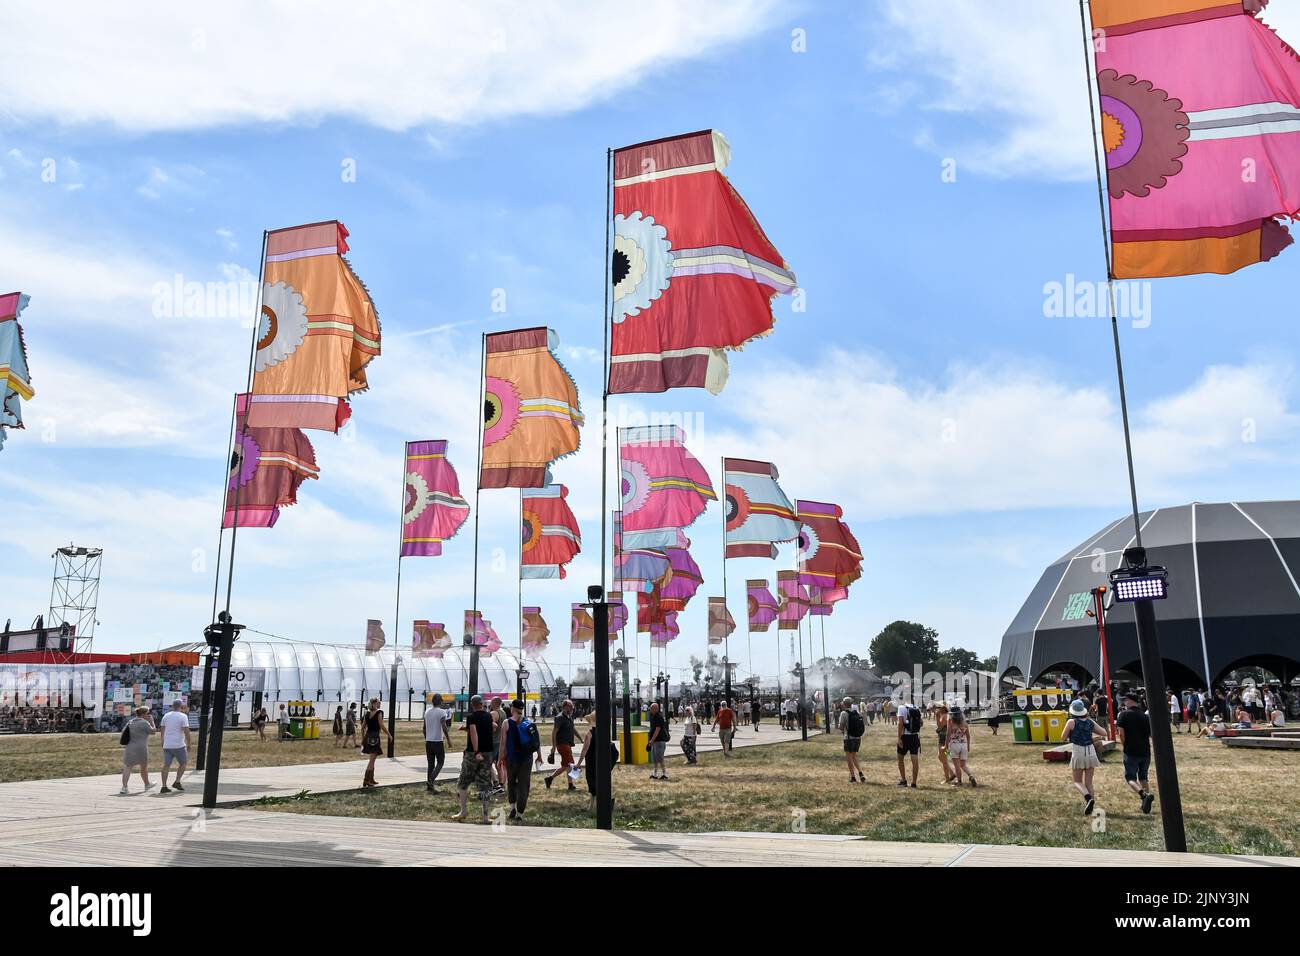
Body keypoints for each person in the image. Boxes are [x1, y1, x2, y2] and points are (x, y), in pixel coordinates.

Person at [1062, 697, 1108, 816]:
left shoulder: (1071, 722)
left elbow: (1063, 737)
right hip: (1091, 751)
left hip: (1078, 751)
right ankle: (1092, 807)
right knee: (1089, 782)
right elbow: (1104, 733)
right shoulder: (1090, 721)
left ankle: (1088, 798)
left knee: (1077, 781)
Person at [452, 695, 495, 823]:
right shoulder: (489, 716)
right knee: (485, 784)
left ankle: (463, 811)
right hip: (487, 753)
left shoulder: (471, 717)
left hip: (473, 753)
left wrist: (476, 751)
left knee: (463, 782)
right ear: (482, 704)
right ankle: (485, 816)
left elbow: (474, 732)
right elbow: (493, 727)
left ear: (472, 705)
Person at [500, 699, 542, 821]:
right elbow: (536, 741)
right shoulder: (529, 722)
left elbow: (503, 744)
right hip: (527, 758)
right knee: (524, 785)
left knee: (512, 782)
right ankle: (520, 813)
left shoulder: (506, 723)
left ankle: (512, 807)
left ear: (512, 708)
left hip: (512, 758)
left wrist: (500, 759)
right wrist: (539, 755)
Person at [1115, 692, 1155, 814]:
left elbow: (1121, 733)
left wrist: (1124, 745)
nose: (1123, 702)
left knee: (1130, 777)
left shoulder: (1123, 714)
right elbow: (1151, 734)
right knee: (1143, 777)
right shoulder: (1145, 716)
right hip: (1145, 751)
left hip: (1131, 750)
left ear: (1129, 701)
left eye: (1125, 700)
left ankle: (1144, 795)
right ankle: (1146, 804)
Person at [544, 698, 579, 791]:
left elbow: (573, 729)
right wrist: (554, 746)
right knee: (570, 764)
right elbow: (554, 732)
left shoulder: (569, 717)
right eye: (570, 706)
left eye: (572, 706)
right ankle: (570, 785)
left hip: (567, 744)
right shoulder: (559, 718)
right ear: (565, 707)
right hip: (562, 744)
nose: (572, 708)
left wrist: (580, 738)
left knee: (566, 766)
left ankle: (550, 779)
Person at [119, 706, 156, 795]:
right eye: (148, 714)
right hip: (141, 748)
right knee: (143, 768)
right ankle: (147, 784)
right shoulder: (144, 723)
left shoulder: (130, 722)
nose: (149, 715)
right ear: (143, 714)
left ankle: (124, 787)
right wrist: (152, 721)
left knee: (128, 767)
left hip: (130, 747)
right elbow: (153, 731)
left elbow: (124, 732)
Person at [158, 700, 191, 794]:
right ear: (181, 706)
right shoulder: (183, 716)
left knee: (166, 765)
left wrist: (162, 741)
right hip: (179, 745)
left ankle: (164, 786)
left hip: (167, 744)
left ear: (172, 706)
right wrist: (189, 744)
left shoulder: (166, 716)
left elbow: (162, 729)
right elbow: (186, 731)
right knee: (183, 763)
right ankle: (177, 781)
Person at [360, 698, 392, 788]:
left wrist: (363, 739)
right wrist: (389, 735)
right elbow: (381, 725)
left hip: (368, 736)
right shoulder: (379, 712)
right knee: (372, 760)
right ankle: (366, 780)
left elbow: (362, 727)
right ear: (374, 704)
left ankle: (371, 779)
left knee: (372, 759)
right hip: (375, 737)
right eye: (378, 702)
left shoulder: (367, 713)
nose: (379, 703)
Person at [423, 693, 452, 793]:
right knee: (440, 762)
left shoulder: (427, 711)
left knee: (430, 764)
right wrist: (448, 740)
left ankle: (429, 786)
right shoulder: (442, 712)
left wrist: (426, 738)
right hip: (438, 741)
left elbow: (424, 728)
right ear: (441, 701)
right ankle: (431, 780)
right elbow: (444, 727)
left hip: (428, 741)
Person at [838, 697, 866, 783]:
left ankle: (853, 777)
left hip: (848, 738)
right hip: (857, 738)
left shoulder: (844, 713)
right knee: (854, 756)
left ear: (844, 704)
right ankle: (860, 773)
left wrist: (841, 728)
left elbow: (841, 727)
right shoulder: (856, 712)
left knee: (849, 758)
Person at [946, 708, 976, 786]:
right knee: (963, 765)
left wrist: (946, 745)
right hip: (964, 745)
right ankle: (971, 775)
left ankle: (959, 782)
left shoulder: (951, 722)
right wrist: (968, 746)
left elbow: (948, 734)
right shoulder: (965, 723)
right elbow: (968, 736)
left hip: (954, 745)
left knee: (957, 766)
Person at [896, 698, 921, 787]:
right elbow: (921, 722)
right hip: (914, 736)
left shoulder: (901, 708)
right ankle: (914, 783)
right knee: (915, 760)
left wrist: (899, 738)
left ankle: (903, 780)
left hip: (904, 736)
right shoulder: (916, 707)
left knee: (900, 759)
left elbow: (900, 723)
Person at [647, 701, 670, 780]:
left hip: (659, 741)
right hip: (655, 741)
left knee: (660, 758)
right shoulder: (653, 716)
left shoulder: (659, 717)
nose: (650, 710)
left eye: (651, 708)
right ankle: (655, 774)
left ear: (656, 709)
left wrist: (652, 740)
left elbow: (657, 729)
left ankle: (665, 774)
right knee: (655, 758)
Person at [488, 697, 506, 793]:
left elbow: (493, 726)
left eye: (491, 702)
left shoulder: (493, 713)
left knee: (488, 763)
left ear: (494, 703)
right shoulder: (503, 713)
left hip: (493, 741)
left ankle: (495, 783)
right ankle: (502, 784)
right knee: (499, 764)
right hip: (501, 741)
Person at [934, 704, 954, 784]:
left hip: (943, 739)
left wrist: (937, 716)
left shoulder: (944, 716)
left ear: (943, 708)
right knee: (940, 757)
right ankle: (952, 773)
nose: (937, 709)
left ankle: (947, 779)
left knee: (944, 759)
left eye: (939, 708)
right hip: (945, 740)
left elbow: (939, 726)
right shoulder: (946, 715)